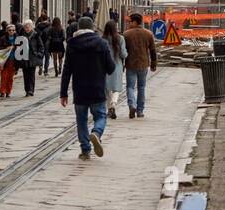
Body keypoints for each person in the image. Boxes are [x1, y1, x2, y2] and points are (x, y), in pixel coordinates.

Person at [61, 17, 116, 160]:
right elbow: (111, 68)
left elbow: (67, 70)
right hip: (97, 88)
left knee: (81, 120)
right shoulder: (102, 43)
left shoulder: (72, 44)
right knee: (101, 115)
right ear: (92, 27)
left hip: (79, 89)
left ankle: (85, 150)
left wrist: (63, 93)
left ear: (78, 28)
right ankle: (96, 133)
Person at [124, 12, 158, 119]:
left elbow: (123, 51)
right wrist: (153, 63)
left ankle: (132, 105)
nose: (129, 23)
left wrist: (122, 64)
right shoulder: (148, 34)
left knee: (130, 87)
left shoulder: (126, 34)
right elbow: (153, 51)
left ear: (135, 22)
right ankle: (140, 111)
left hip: (130, 64)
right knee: (141, 87)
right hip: (143, 64)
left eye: (130, 21)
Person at [0, 23, 18, 98]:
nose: (11, 32)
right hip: (5, 60)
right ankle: (2, 91)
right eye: (10, 30)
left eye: (13, 30)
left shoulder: (17, 38)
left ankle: (8, 91)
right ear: (7, 31)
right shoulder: (3, 38)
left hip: (14, 60)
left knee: (11, 77)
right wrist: (7, 48)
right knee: (4, 77)